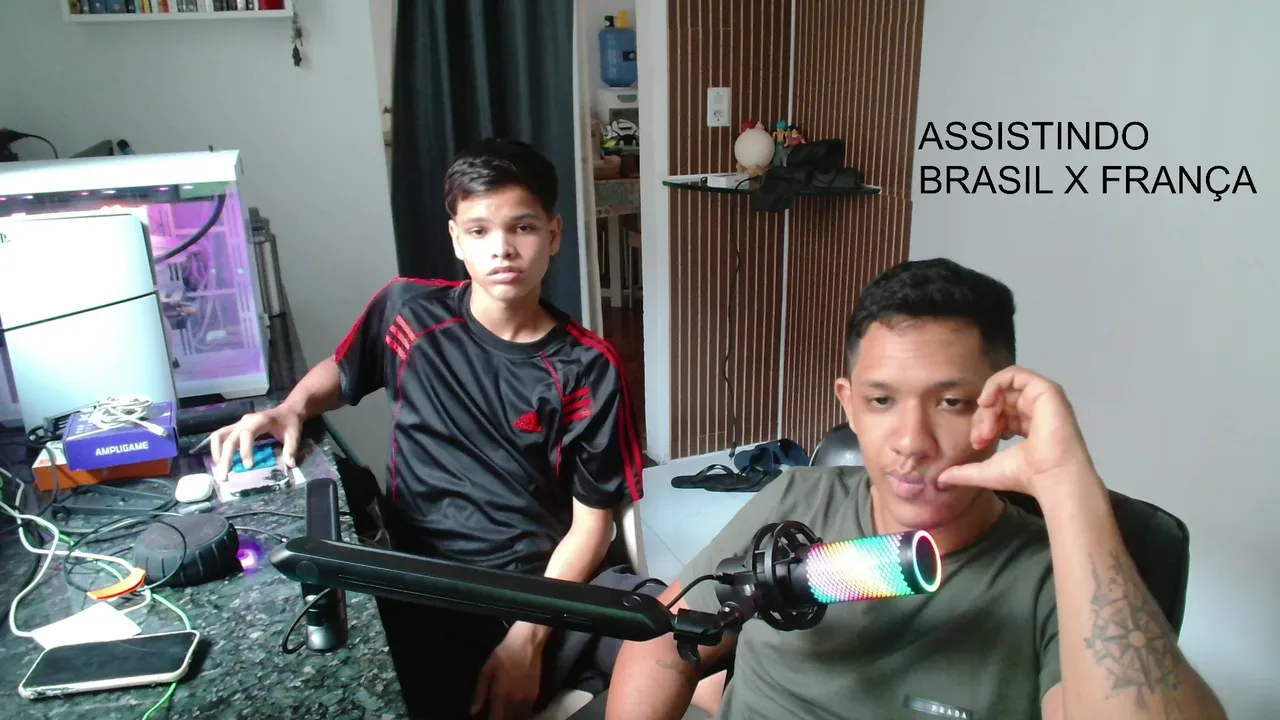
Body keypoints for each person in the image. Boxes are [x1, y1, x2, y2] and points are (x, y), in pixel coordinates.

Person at [603, 259, 1227, 719]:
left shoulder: (1047, 580)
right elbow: (663, 641)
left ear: (1001, 409)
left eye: (951, 402)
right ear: (849, 404)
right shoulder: (797, 498)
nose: (910, 441)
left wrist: (1069, 485)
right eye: (881, 401)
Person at [208, 139, 648, 719]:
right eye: (480, 231)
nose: (502, 249)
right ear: (456, 240)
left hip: (545, 585)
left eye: (522, 228)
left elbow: (592, 527)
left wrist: (527, 639)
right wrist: (292, 407)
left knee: (689, 638)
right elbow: (344, 371)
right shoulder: (409, 313)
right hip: (429, 585)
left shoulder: (587, 366)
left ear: (554, 234)